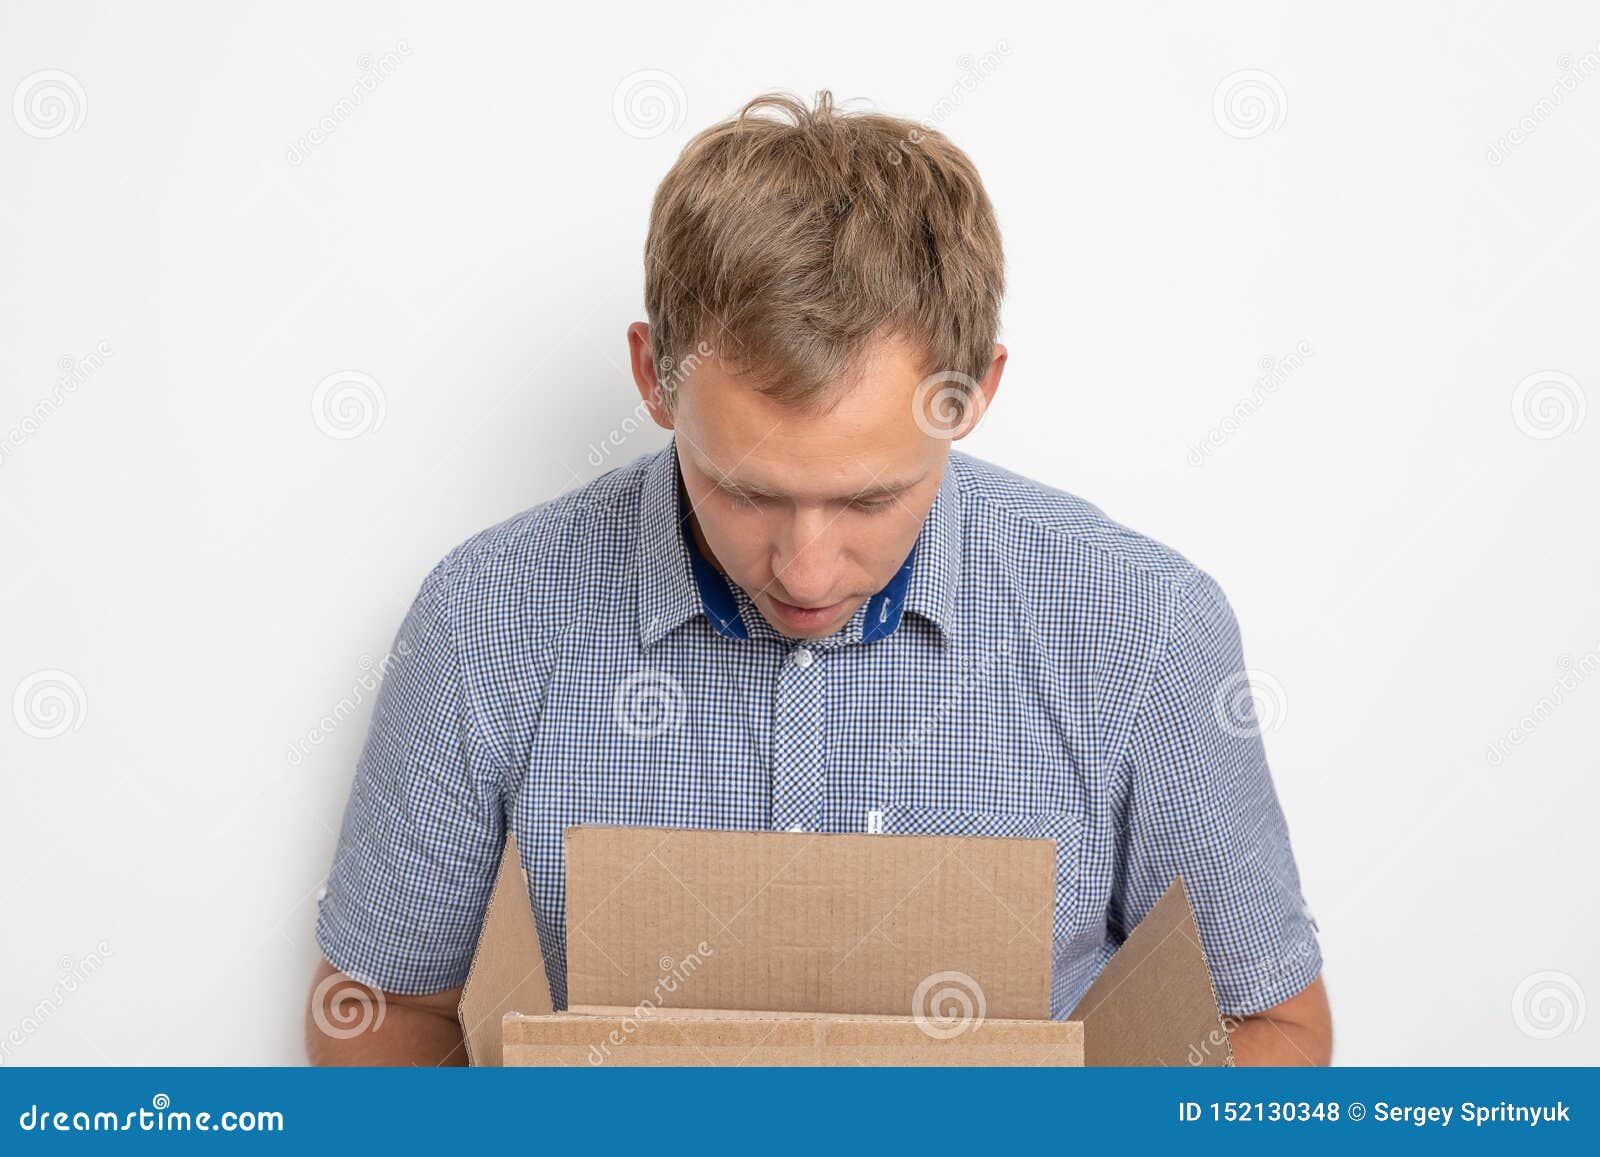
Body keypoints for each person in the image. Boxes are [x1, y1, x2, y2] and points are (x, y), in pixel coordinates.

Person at [305, 91, 1332, 1066]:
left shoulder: (1142, 628)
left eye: (869, 499)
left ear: (971, 394)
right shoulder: (485, 618)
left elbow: (1270, 1025)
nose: (802, 568)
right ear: (653, 377)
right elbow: (382, 1007)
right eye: (742, 489)